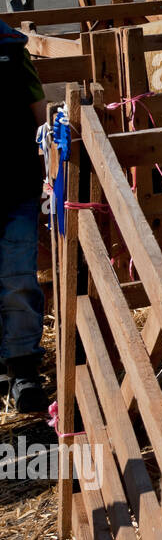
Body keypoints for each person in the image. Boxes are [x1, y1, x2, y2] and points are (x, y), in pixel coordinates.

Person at [0, 21, 48, 413]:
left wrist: (52, 169)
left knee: (17, 277)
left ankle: (23, 369)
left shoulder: (11, 50)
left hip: (15, 184)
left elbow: (40, 112)